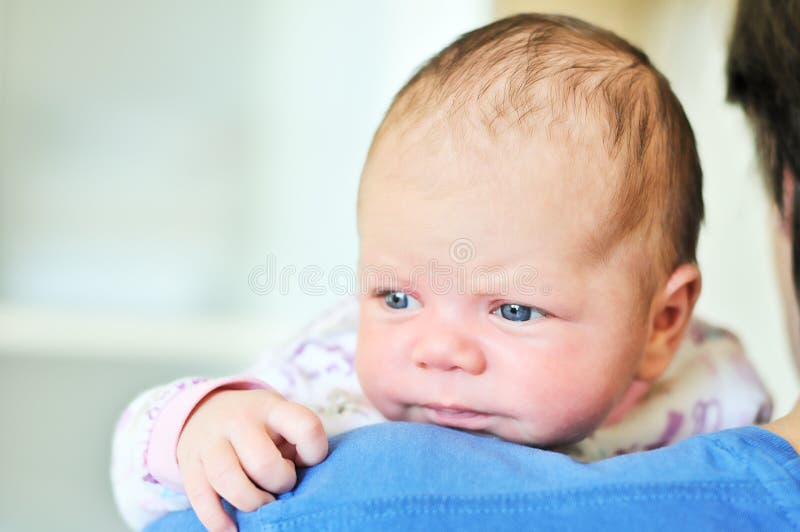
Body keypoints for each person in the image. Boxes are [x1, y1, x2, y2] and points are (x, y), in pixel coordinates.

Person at [144, 1, 800, 530]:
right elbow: (148, 487)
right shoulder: (324, 382)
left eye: (514, 310)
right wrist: (203, 425)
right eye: (397, 298)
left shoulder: (713, 394)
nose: (440, 351)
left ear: (661, 324)